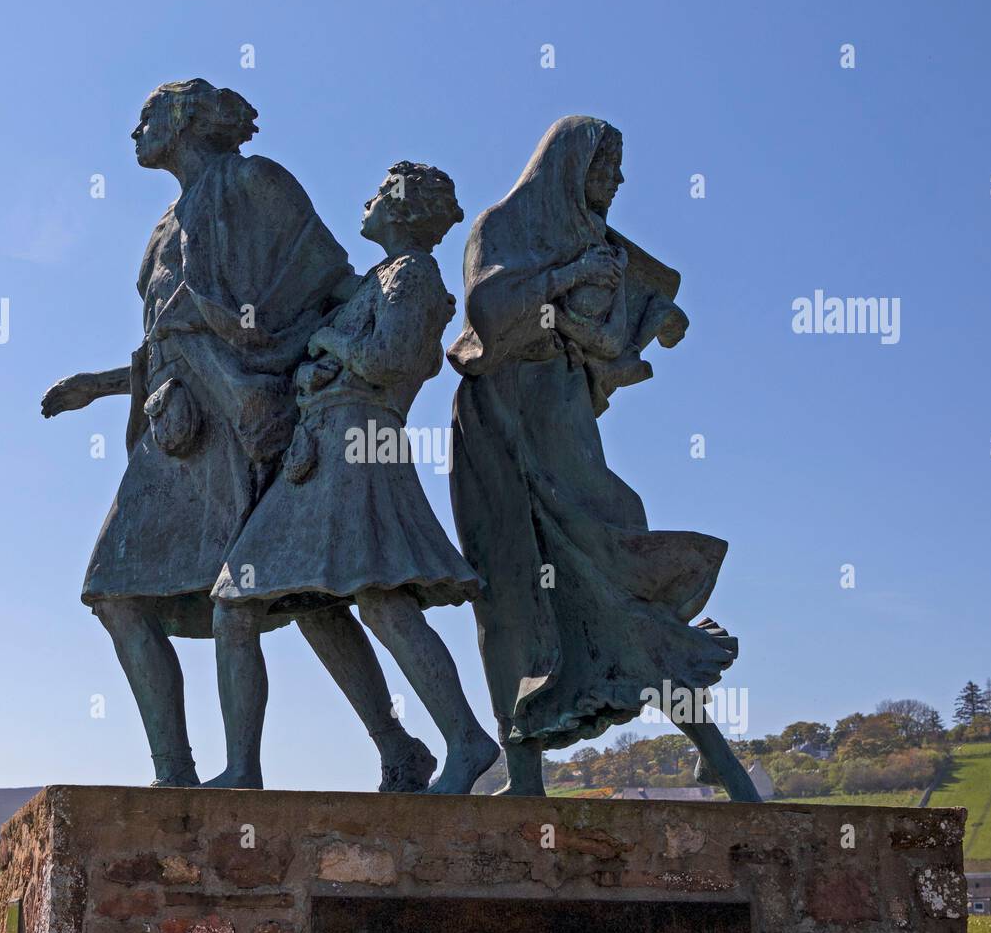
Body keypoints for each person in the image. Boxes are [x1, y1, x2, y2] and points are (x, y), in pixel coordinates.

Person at [40, 81, 435, 792]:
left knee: (302, 593)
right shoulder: (166, 225)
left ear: (187, 118)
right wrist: (99, 386)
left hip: (247, 414)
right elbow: (165, 337)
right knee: (116, 595)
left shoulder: (255, 181)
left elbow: (329, 284)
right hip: (172, 428)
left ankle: (390, 747)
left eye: (148, 115)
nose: (135, 130)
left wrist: (403, 317)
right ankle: (176, 776)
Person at [446, 116, 759, 801]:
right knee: (508, 596)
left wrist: (642, 314)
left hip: (562, 427)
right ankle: (525, 774)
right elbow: (487, 313)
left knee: (613, 573)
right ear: (568, 167)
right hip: (499, 427)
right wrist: (567, 276)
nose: (616, 183)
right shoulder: (501, 226)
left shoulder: (600, 243)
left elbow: (624, 324)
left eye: (617, 171)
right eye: (606, 169)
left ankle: (717, 756)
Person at [212, 163, 499, 793]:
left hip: (359, 444)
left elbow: (388, 360)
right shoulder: (378, 279)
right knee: (297, 599)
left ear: (397, 205)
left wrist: (327, 344)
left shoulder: (414, 275)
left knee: (373, 598)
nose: (365, 202)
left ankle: (464, 740)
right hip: (324, 448)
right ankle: (390, 749)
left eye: (376, 193)